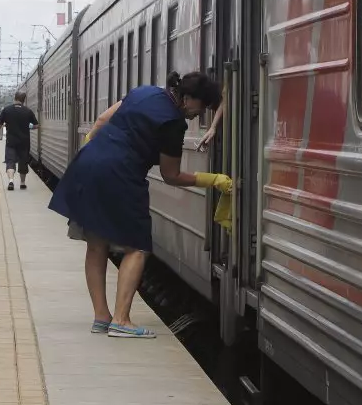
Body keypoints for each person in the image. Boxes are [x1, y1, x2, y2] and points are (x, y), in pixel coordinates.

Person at [48, 72, 231, 339]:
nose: (197, 115)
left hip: (88, 161)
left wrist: (94, 150)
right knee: (138, 246)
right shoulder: (173, 122)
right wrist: (212, 179)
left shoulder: (145, 91)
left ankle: (101, 317)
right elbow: (171, 175)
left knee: (97, 242)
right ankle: (121, 320)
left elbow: (101, 120)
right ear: (188, 98)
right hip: (120, 171)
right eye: (200, 108)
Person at [0, 91, 39, 190]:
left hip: (11, 142)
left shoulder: (7, 110)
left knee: (10, 161)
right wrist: (29, 126)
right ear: (23, 101)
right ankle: (22, 183)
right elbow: (37, 125)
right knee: (23, 162)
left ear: (14, 98)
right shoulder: (28, 111)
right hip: (24, 142)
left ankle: (11, 181)